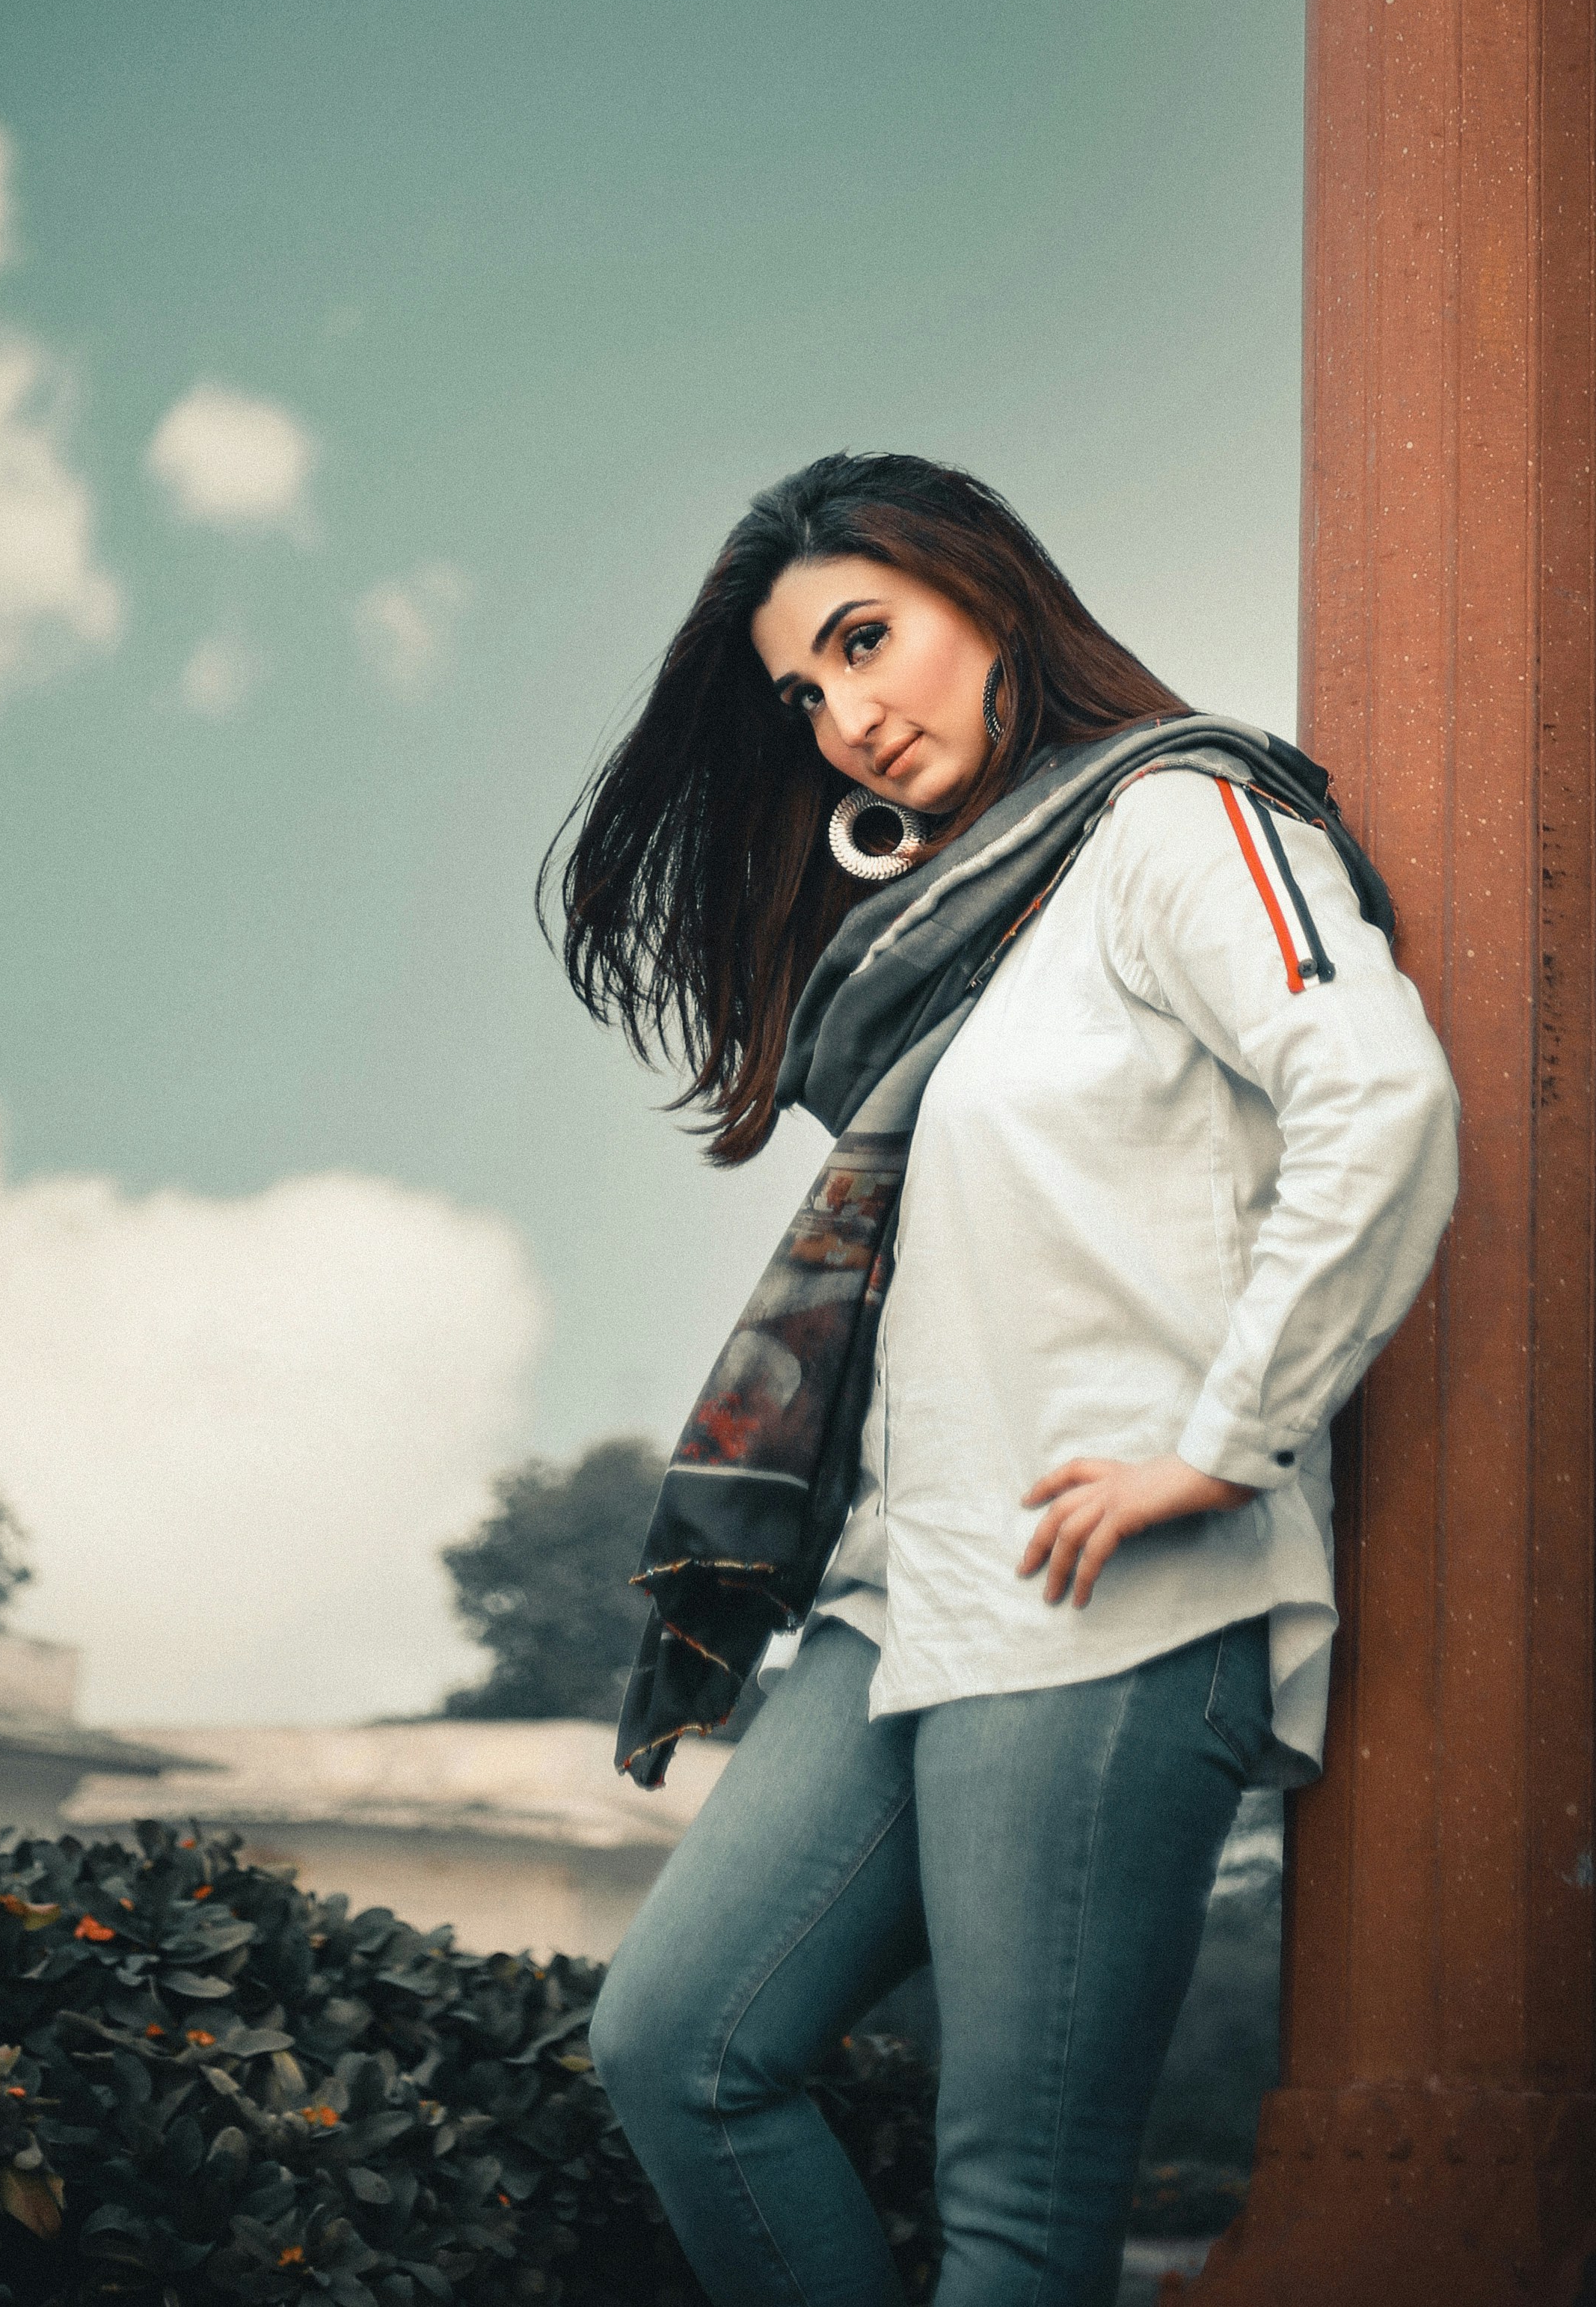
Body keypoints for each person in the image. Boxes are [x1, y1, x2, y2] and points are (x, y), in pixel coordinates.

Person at [545, 453, 1458, 2307]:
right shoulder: (963, 947)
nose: (846, 717)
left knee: (1019, 2208)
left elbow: (1376, 1093)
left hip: (1108, 1594)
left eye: (866, 639)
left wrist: (1222, 1436)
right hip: (902, 1599)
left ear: (989, 595)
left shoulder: (1179, 819)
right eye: (804, 693)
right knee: (678, 2045)